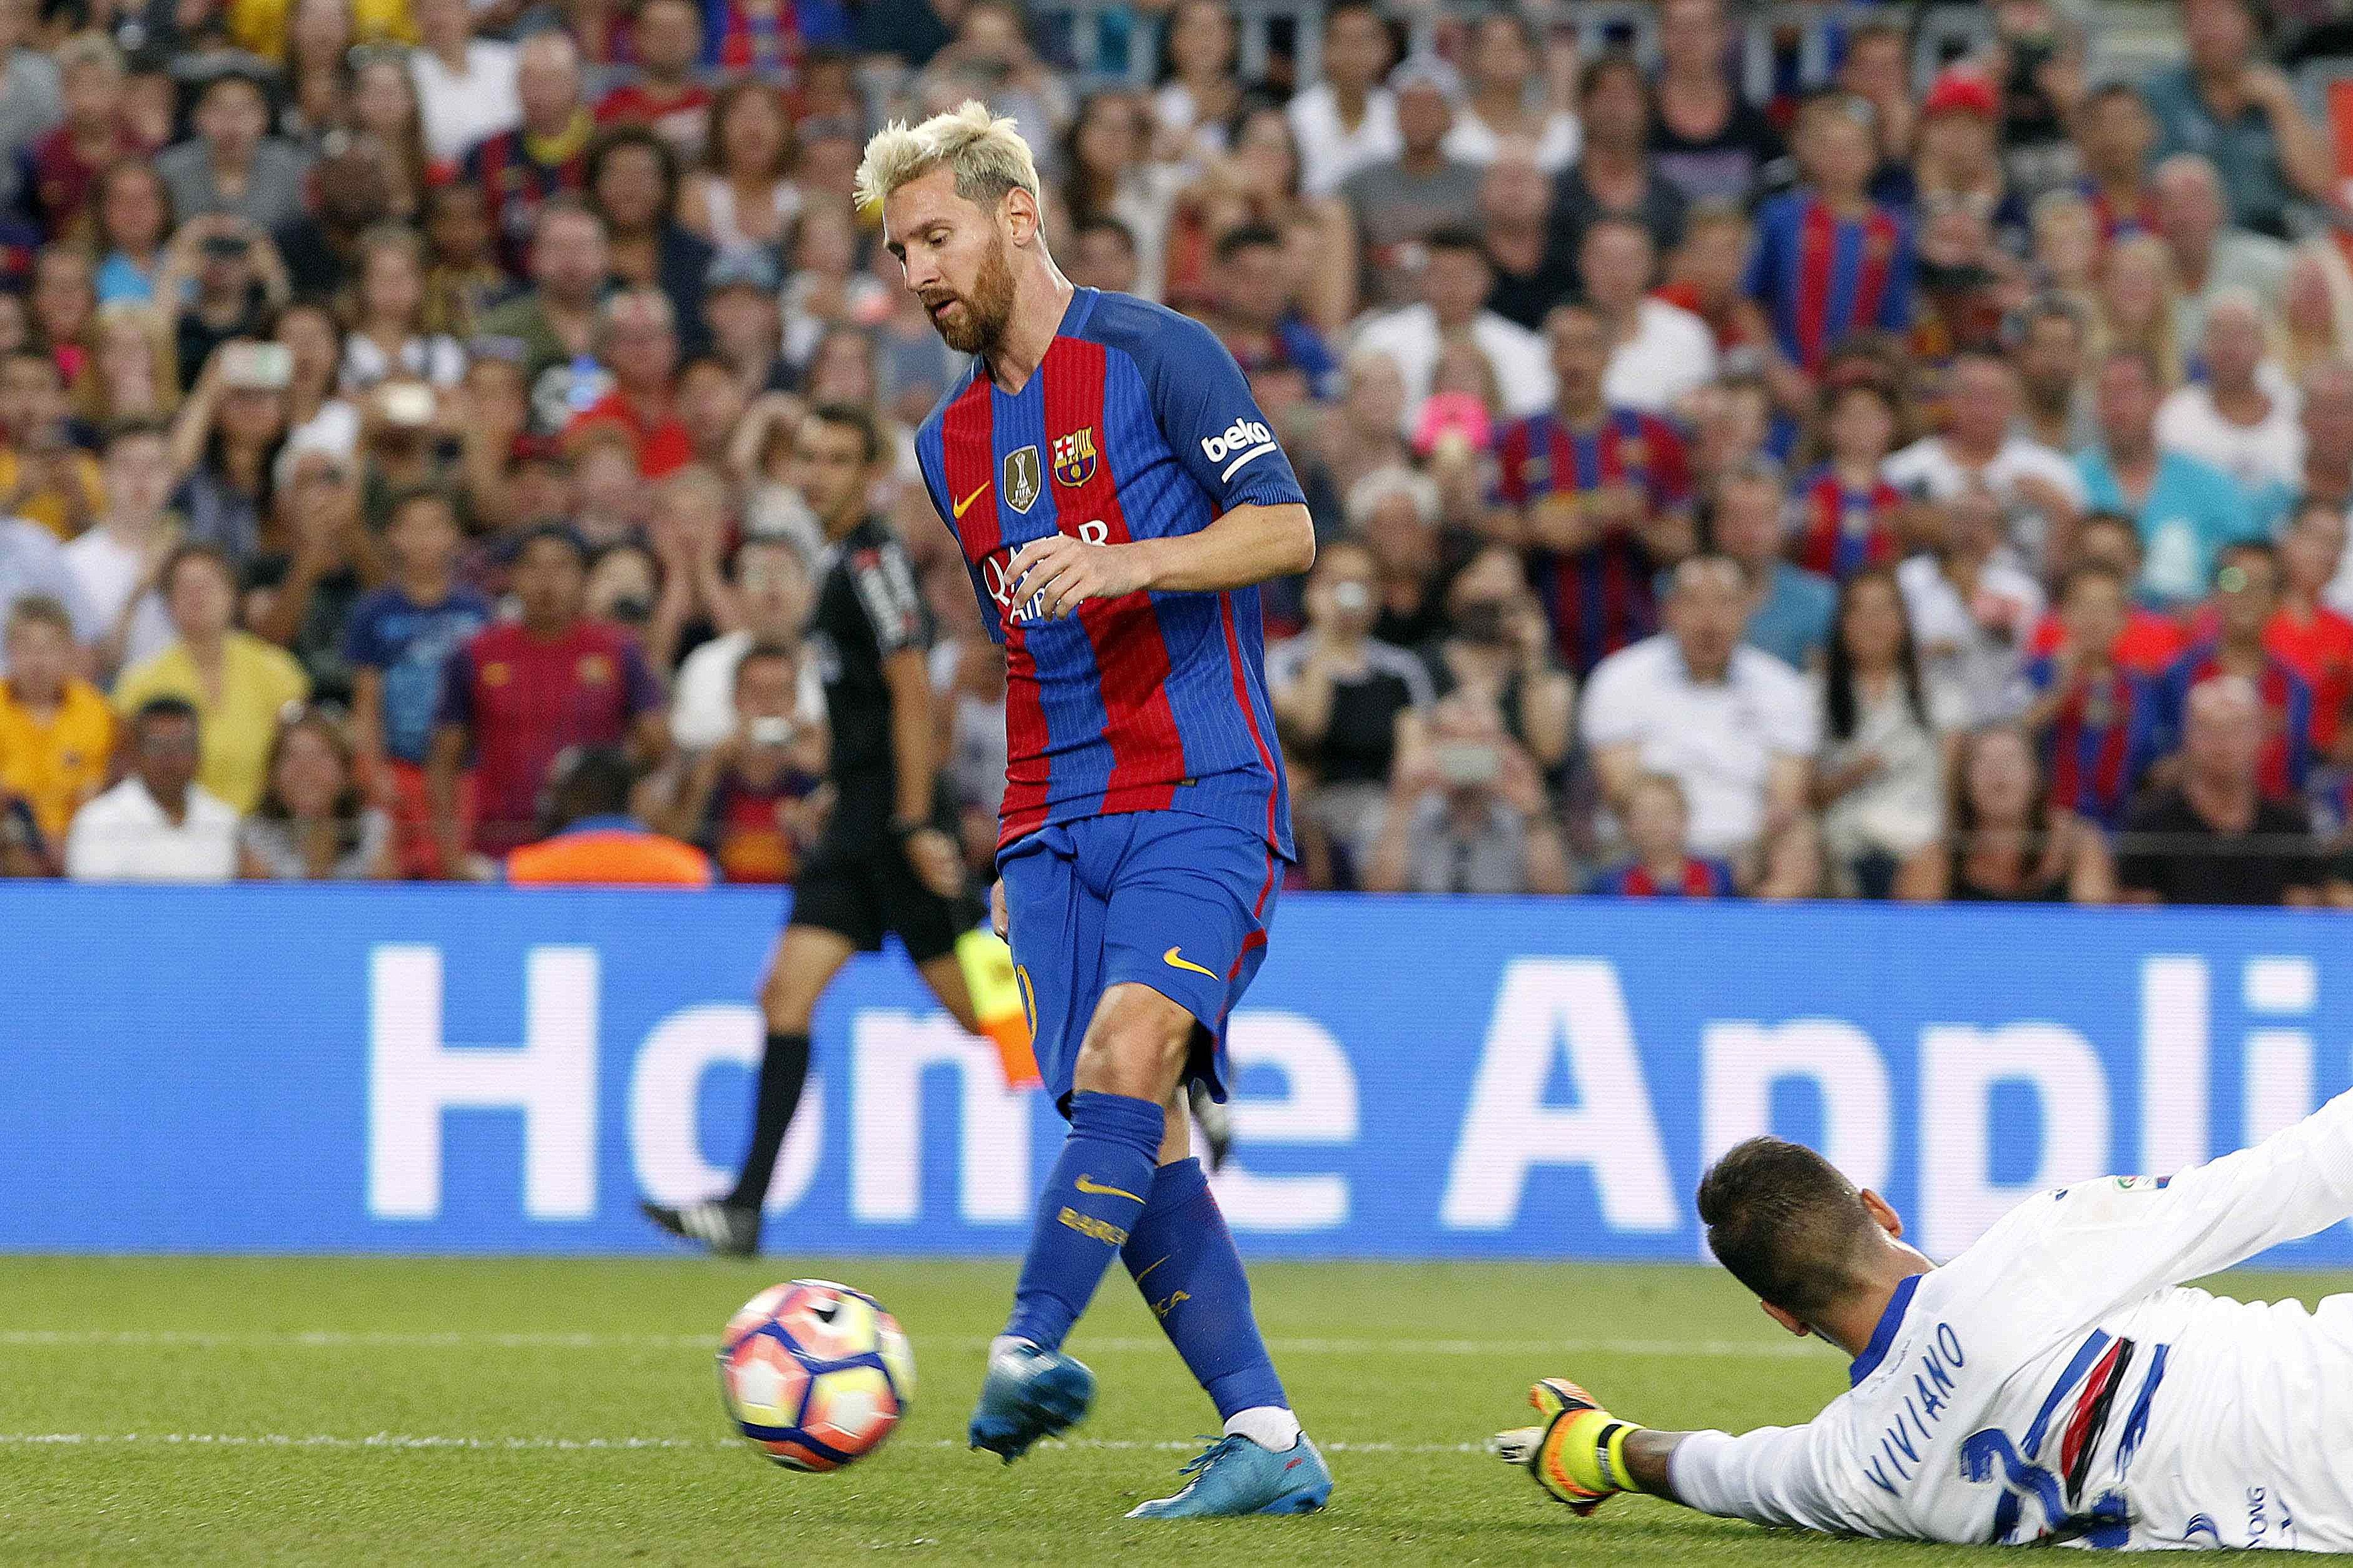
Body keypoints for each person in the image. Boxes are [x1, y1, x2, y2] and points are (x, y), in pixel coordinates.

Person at [862, 100, 1329, 1515]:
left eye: (935, 236)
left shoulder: (1156, 354)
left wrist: (1134, 563)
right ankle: (1268, 1439)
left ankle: (1020, 1347)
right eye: (897, 253)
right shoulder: (950, 444)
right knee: (1131, 1133)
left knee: (1133, 1058)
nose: (917, 273)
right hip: (1051, 825)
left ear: (1018, 215)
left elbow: (1288, 529)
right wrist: (1016, 850)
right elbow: (1022, 639)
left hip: (1199, 790)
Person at [1495, 1098, 2353, 1548]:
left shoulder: (1853, 1468)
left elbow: (1718, 1469)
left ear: (1783, 1315)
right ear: (1881, 1209)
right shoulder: (2039, 1245)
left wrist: (1598, 1448)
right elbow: (2286, 1179)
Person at [644, 400, 985, 1250]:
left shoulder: (873, 559)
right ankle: (744, 1207)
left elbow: (912, 692)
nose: (820, 473)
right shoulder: (842, 561)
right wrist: (839, 786)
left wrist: (912, 819)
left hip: (897, 821)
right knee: (784, 993)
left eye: (839, 458)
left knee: (988, 1015)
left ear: (870, 472)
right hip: (859, 818)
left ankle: (1171, 1064)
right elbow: (872, 705)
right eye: (810, 457)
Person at [427, 523, 666, 865]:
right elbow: (443, 760)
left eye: (561, 567)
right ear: (513, 578)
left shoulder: (619, 651)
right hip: (502, 847)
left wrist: (604, 779)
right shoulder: (477, 654)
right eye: (533, 567)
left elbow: (656, 747)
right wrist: (450, 856)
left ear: (584, 578)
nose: (547, 581)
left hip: (595, 846)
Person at [1492, 299, 1693, 677]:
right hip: (1535, 640)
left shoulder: (1655, 435)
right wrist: (1538, 529)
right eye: (1563, 346)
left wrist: (1636, 522)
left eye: (1588, 345)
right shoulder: (1516, 437)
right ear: (1548, 355)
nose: (1574, 360)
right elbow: (1492, 528)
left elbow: (1685, 544)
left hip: (1635, 640)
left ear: (1610, 353)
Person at [1581, 554, 1817, 867]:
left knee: (1800, 840)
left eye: (1724, 603)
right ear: (1669, 611)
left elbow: (1786, 796)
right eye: (1693, 603)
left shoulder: (1783, 685)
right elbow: (1621, 792)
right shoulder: (1620, 676)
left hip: (1749, 851)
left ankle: (1765, 914)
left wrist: (1748, 861)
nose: (1709, 620)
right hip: (1644, 850)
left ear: (1747, 610)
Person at [344, 487, 494, 878]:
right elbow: (366, 701)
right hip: (400, 765)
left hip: (463, 771)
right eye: (415, 528)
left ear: (454, 537)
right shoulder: (375, 613)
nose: (426, 539)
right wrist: (376, 772)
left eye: (436, 527)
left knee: (456, 867)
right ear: (396, 537)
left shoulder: (476, 612)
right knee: (393, 870)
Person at [1267, 537, 1431, 888]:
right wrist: (1326, 635)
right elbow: (1309, 726)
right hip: (1308, 801)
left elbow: (1413, 758)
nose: (1350, 595)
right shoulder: (1285, 661)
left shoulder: (1401, 670)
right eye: (1337, 582)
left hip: (1379, 802)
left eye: (1362, 583)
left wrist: (1399, 812)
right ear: (1314, 590)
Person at [113, 543, 310, 814]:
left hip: (262, 825)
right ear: (169, 604)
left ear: (232, 595)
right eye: (185, 589)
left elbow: (296, 757)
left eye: (207, 585)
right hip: (179, 828)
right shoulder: (140, 682)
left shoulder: (275, 669)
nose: (197, 597)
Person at [1742, 93, 1914, 382]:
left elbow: (1895, 325)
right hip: (1788, 377)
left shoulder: (1892, 230)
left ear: (1874, 155)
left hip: (1860, 384)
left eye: (1852, 147)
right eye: (1828, 146)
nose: (1840, 159)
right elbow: (1749, 300)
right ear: (1807, 151)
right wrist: (1777, 371)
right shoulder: (1781, 216)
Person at [2120, 674, 2326, 906]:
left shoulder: (2290, 827)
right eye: (2207, 728)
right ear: (2186, 738)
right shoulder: (2148, 823)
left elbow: (2300, 926)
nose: (2221, 742)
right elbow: (2140, 925)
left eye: (2236, 729)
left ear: (2260, 739)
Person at [2075, 347, 2257, 609]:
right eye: (2106, 392)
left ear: (2158, 398)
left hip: (2191, 638)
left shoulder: (2210, 485)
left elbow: (2244, 572)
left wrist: (2217, 599)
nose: (2116, 403)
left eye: (2129, 390)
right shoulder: (2072, 481)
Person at [2143, 0, 2332, 242]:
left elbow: (2318, 183)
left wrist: (2281, 107)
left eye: (2219, 15)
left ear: (2252, 24)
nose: (2208, 29)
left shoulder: (2286, 90)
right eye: (2196, 17)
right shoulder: (2158, 95)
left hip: (2272, 244)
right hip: (2186, 245)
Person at [1814, 568, 1948, 898]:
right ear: (1842, 623)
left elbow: (1952, 790)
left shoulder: (1941, 695)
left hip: (1918, 848)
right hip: (1839, 847)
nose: (1872, 622)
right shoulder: (1812, 693)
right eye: (1859, 610)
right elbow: (1803, 795)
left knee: (1931, 861)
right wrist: (1850, 776)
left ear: (1904, 620)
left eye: (1884, 609)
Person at [1362, 685, 1568, 896]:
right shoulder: (1397, 809)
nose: (1467, 749)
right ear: (1432, 744)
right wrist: (1401, 808)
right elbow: (1379, 899)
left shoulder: (1524, 816)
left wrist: (1533, 813)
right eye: (1453, 737)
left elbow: (1557, 899)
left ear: (1503, 745)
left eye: (1481, 738)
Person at [1346, 226, 1552, 433]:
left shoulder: (1522, 346)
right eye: (1440, 275)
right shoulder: (1381, 339)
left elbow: (1530, 417)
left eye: (1463, 275)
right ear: (1422, 279)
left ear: (1487, 280)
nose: (1452, 286)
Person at [653, 638, 826, 884]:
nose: (768, 704)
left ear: (796, 699)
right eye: (755, 692)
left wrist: (825, 784)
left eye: (780, 692)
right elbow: (671, 851)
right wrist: (704, 778)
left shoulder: (816, 775)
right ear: (735, 699)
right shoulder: (709, 770)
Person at [2150, 541, 2312, 801]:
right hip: (2190, 828)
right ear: (2214, 592)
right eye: (2233, 581)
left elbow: (2297, 780)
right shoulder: (2179, 675)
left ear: (2277, 600)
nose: (2246, 595)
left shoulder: (2295, 687)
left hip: (2271, 831)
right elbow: (2154, 771)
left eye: (2260, 586)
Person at [1895, 722, 2112, 902]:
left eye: (2012, 759)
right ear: (1965, 782)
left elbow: (2094, 937)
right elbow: (1913, 943)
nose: (1998, 772)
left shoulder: (2078, 846)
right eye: (1983, 761)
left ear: (2037, 778)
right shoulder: (1936, 857)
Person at [2018, 563, 2162, 831]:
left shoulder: (2141, 687)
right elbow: (2012, 736)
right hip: (2047, 827)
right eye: (2083, 606)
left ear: (2124, 619)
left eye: (2106, 608)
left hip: (2121, 827)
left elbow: (2150, 764)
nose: (2094, 618)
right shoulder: (2037, 672)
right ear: (2063, 614)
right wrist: (2059, 692)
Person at [1341, 61, 1480, 311]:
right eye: (1409, 106)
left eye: (1432, 106)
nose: (1420, 116)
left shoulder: (1478, 182)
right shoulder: (1359, 184)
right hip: (1378, 317)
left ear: (1452, 115)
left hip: (1460, 316)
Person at [2154, 291, 2299, 529]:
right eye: (2219, 334)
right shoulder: (2176, 415)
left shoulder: (2294, 409)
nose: (2230, 347)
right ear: (2202, 347)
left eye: (2242, 334)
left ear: (2263, 345)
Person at [463, 31, 596, 278]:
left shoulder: (602, 149)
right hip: (508, 288)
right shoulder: (485, 154)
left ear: (577, 84)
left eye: (551, 80)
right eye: (528, 79)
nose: (537, 92)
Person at [64, 695, 238, 881]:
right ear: (135, 753)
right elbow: (95, 906)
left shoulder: (223, 820)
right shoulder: (98, 822)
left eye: (182, 746)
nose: (170, 758)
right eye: (157, 746)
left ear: (199, 753)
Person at [504, 743, 713, 885]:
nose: (546, 803)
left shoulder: (526, 870)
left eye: (555, 791)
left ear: (581, 798)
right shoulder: (692, 870)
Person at [0, 593, 111, 849]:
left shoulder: (96, 711)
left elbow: (104, 791)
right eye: (26, 648)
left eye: (49, 648)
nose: (37, 660)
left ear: (68, 652)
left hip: (83, 845)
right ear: (10, 650)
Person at [238, 707, 394, 879]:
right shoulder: (257, 834)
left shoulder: (373, 829)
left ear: (346, 772)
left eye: (321, 755)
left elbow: (387, 901)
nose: (305, 769)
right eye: (291, 756)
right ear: (273, 775)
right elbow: (259, 904)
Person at [1582, 216, 1715, 415]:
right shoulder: (1557, 338)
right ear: (1583, 264)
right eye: (1604, 259)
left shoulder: (1688, 334)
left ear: (1650, 266)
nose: (1616, 272)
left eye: (1628, 260)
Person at [1710, 456, 1832, 671]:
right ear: (1716, 524)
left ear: (1782, 523)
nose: (1749, 531)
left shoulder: (1819, 601)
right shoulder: (1675, 593)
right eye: (1737, 517)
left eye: (1761, 517)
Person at [1285, 0, 1396, 199]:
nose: (1353, 53)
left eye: (1363, 41)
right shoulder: (1299, 115)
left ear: (1384, 50)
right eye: (1343, 41)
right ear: (1325, 50)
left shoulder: (1398, 113)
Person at [1586, 771, 1735, 897]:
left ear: (1684, 817)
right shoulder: (1613, 883)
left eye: (1664, 813)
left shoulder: (1716, 876)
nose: (1654, 823)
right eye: (1643, 815)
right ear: (1626, 824)